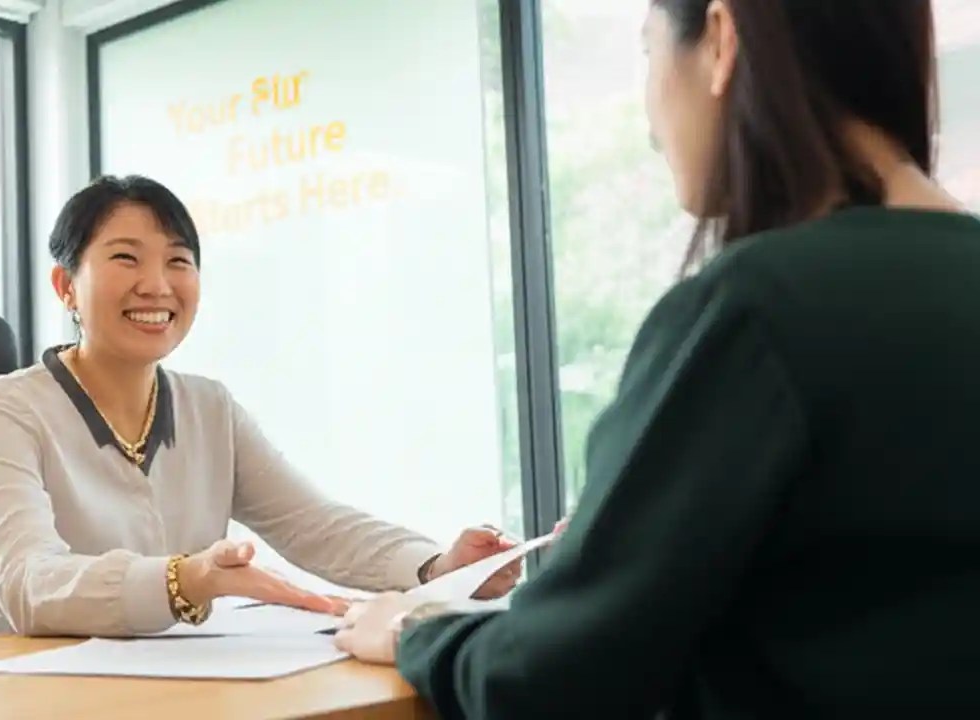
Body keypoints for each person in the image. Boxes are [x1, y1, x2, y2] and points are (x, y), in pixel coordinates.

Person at [337, 0, 980, 717]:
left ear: (719, 37)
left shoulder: (756, 306)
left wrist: (415, 630)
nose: (649, 127)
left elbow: (553, 678)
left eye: (647, 55)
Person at [0, 174, 520, 639]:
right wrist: (188, 579)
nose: (157, 285)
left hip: (154, 679)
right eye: (125, 259)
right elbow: (30, 584)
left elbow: (312, 525)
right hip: (1, 686)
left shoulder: (209, 406)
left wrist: (437, 568)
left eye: (178, 261)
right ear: (66, 286)